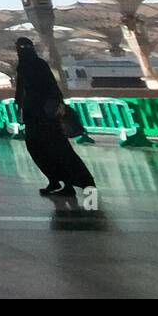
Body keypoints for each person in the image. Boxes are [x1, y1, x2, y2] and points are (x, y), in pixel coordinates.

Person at [14, 37, 95, 200]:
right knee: (46, 150)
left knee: (51, 150)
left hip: (43, 117)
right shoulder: (33, 64)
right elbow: (26, 90)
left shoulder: (31, 65)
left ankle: (77, 182)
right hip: (39, 116)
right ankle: (58, 181)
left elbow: (32, 90)